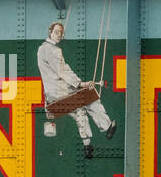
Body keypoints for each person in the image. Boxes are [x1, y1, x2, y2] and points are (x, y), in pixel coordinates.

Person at [37, 22, 115, 158]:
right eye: (56, 32)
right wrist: (81, 84)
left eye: (61, 33)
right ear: (50, 32)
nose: (59, 35)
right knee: (91, 96)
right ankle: (107, 126)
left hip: (51, 100)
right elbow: (63, 71)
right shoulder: (53, 50)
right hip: (61, 94)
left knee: (80, 112)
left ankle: (87, 145)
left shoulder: (41, 49)